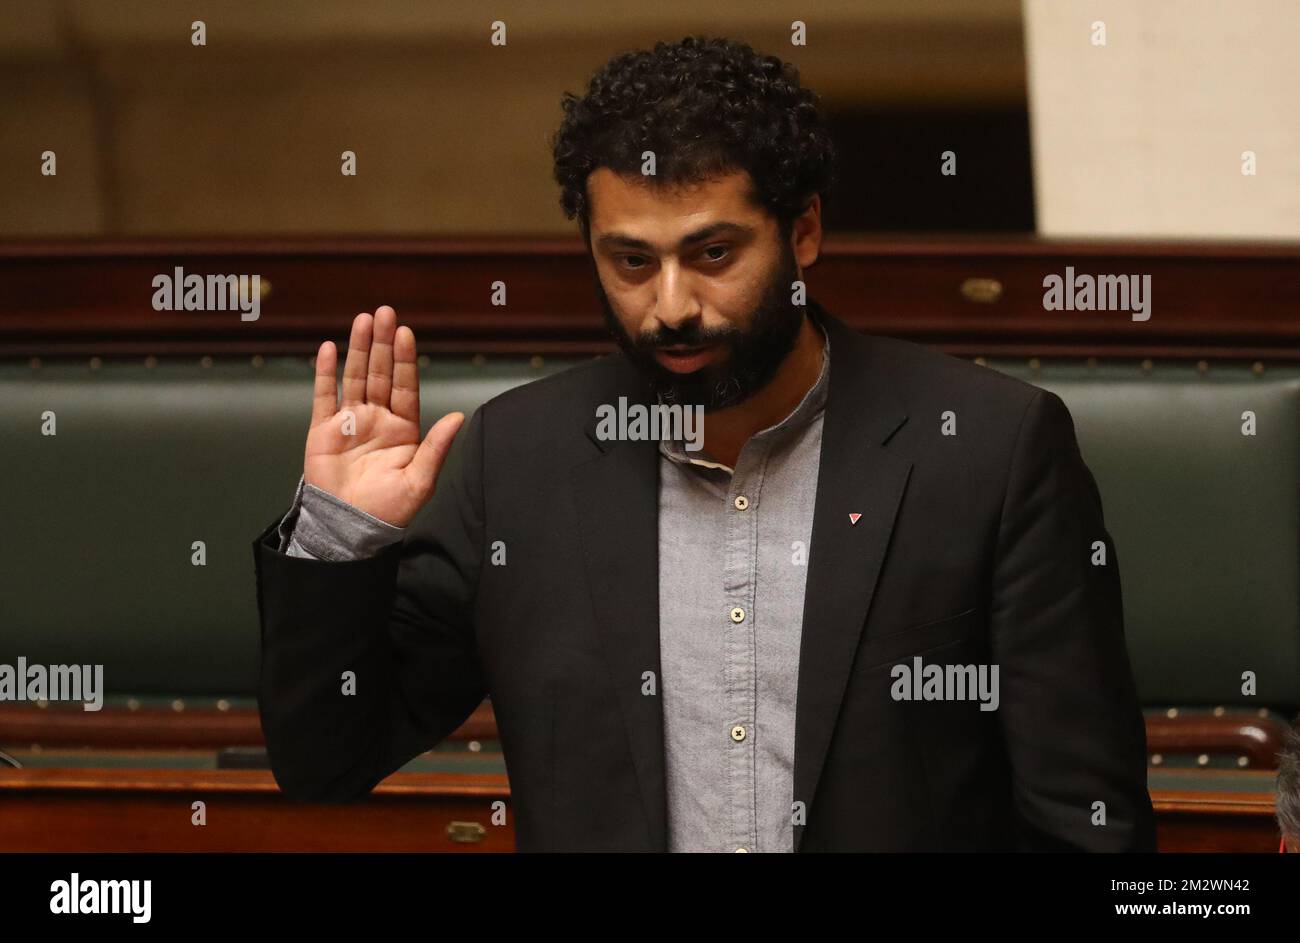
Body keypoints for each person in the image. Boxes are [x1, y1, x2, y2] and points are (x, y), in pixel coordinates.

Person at [252, 35, 1155, 852]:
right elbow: (326, 759)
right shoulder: (517, 460)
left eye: (714, 253)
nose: (671, 305)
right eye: (631, 261)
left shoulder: (990, 448)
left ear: (803, 231)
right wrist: (341, 538)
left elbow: (1088, 826)